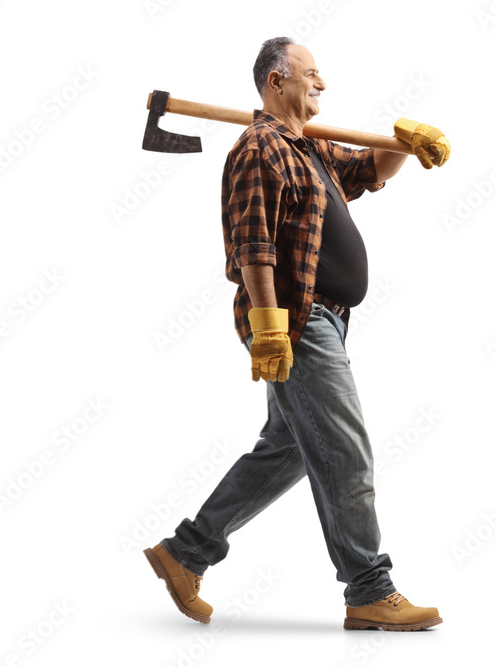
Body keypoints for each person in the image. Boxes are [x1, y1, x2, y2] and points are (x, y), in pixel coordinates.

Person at [143, 36, 450, 632]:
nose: (323, 84)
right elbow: (252, 246)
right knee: (346, 452)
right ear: (277, 80)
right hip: (296, 322)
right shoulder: (260, 148)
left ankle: (186, 553)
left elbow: (368, 169)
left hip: (326, 320)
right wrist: (268, 328)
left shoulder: (307, 147)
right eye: (312, 74)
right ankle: (369, 588)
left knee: (286, 451)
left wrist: (405, 146)